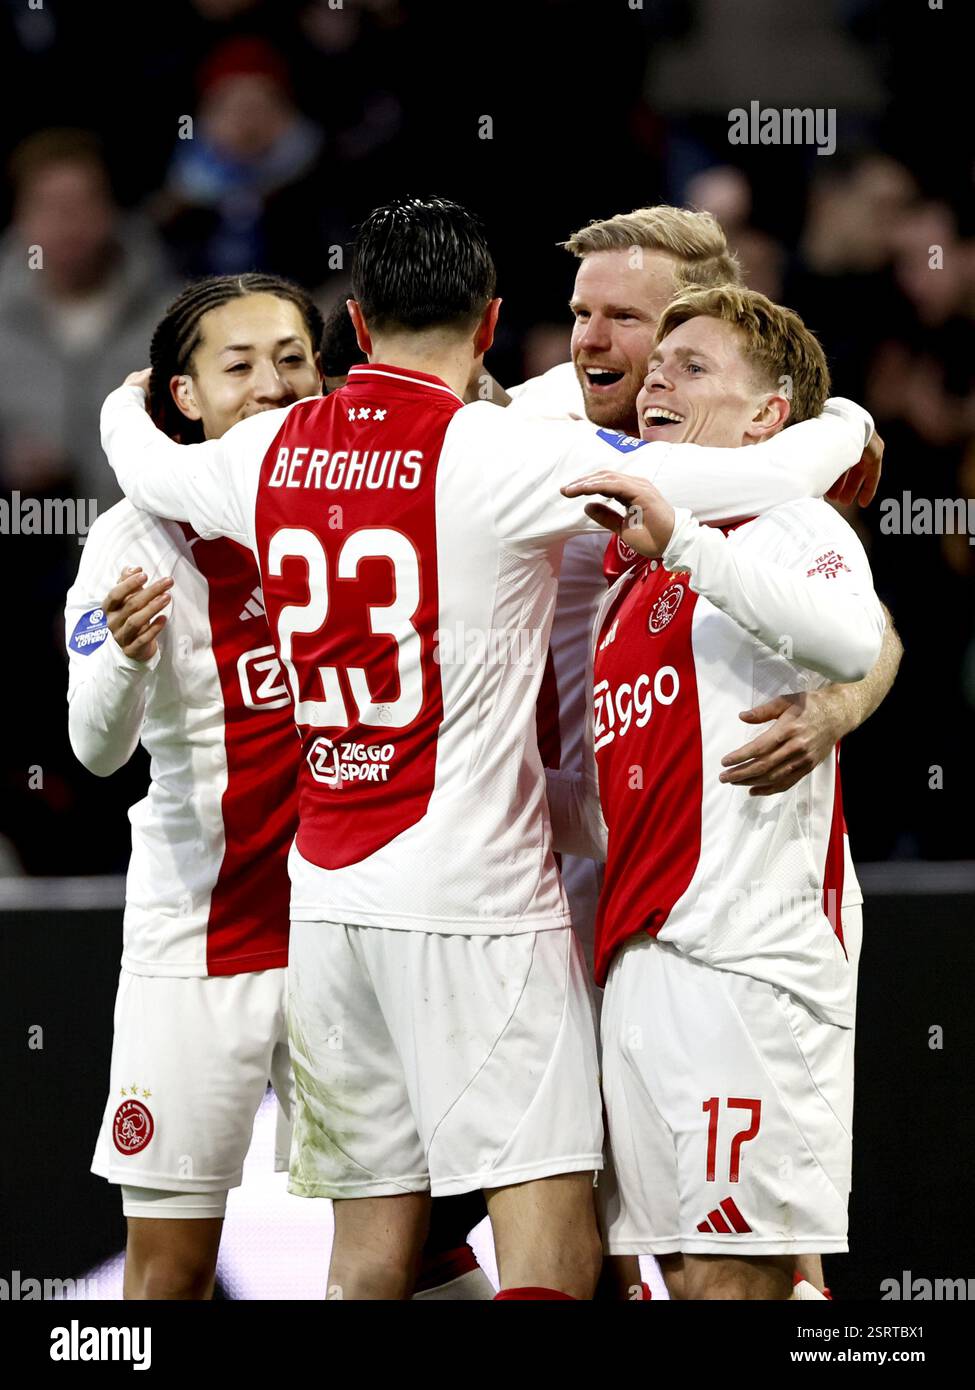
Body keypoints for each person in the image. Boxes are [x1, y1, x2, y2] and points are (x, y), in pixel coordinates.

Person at [97, 196, 878, 1300]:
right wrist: (841, 422)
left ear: (354, 327)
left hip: (325, 898)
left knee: (372, 1251)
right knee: (551, 1226)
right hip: (481, 892)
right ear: (494, 319)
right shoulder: (506, 452)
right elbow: (737, 485)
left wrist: (124, 406)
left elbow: (145, 465)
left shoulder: (262, 450)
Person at [67, 271, 491, 1301]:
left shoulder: (366, 505)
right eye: (240, 364)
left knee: (411, 1247)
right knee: (168, 1267)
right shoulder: (133, 538)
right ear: (185, 395)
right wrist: (122, 655)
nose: (271, 384)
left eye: (293, 360)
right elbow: (93, 747)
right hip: (195, 941)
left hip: (345, 932)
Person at [551, 284, 886, 1299]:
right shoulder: (624, 579)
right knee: (698, 1281)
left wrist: (691, 547)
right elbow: (617, 794)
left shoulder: (784, 521)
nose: (658, 379)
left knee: (737, 1281)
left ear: (768, 417)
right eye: (660, 367)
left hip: (751, 961)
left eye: (694, 369)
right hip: (642, 961)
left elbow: (851, 638)